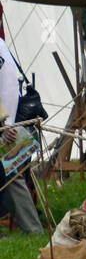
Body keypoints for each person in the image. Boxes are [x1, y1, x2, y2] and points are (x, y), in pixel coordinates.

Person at [0, 36, 43, 234]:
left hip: (7, 124)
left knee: (12, 176)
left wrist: (6, 123)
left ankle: (33, 229)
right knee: (11, 177)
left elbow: (8, 86)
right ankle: (32, 228)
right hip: (6, 122)